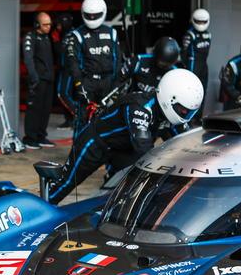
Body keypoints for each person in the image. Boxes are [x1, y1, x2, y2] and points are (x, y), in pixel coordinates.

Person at [44, 69, 203, 204]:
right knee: (65, 184)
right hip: (95, 143)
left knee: (119, 192)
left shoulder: (168, 113)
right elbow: (144, 149)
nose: (185, 115)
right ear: (170, 99)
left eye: (189, 112)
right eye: (183, 110)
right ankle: (37, 214)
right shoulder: (139, 107)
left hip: (122, 150)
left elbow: (186, 141)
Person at [63, 0, 121, 131]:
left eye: (96, 15)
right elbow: (73, 62)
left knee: (109, 118)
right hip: (87, 81)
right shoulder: (77, 34)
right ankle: (79, 150)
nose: (93, 18)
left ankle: (106, 150)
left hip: (108, 82)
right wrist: (79, 84)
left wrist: (117, 84)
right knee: (83, 119)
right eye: (89, 15)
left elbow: (118, 60)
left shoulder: (112, 33)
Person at [21, 12, 56, 149]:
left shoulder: (47, 37)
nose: (48, 27)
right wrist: (34, 77)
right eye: (45, 24)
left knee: (45, 109)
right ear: (37, 24)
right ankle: (30, 138)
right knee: (34, 110)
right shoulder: (30, 37)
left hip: (48, 79)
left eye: (49, 24)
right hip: (37, 80)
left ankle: (41, 136)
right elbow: (28, 59)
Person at [180, 8, 212, 96]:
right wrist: (185, 66)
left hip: (204, 65)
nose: (201, 24)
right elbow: (183, 53)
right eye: (198, 21)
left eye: (203, 21)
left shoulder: (208, 34)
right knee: (192, 90)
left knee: (203, 90)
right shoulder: (189, 34)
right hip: (192, 66)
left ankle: (201, 110)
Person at [54, 12, 77, 129]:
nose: (57, 27)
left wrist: (56, 42)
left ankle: (78, 116)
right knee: (67, 94)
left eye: (59, 24)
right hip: (64, 69)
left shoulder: (72, 35)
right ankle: (69, 119)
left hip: (69, 69)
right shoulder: (64, 34)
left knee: (63, 93)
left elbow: (65, 52)